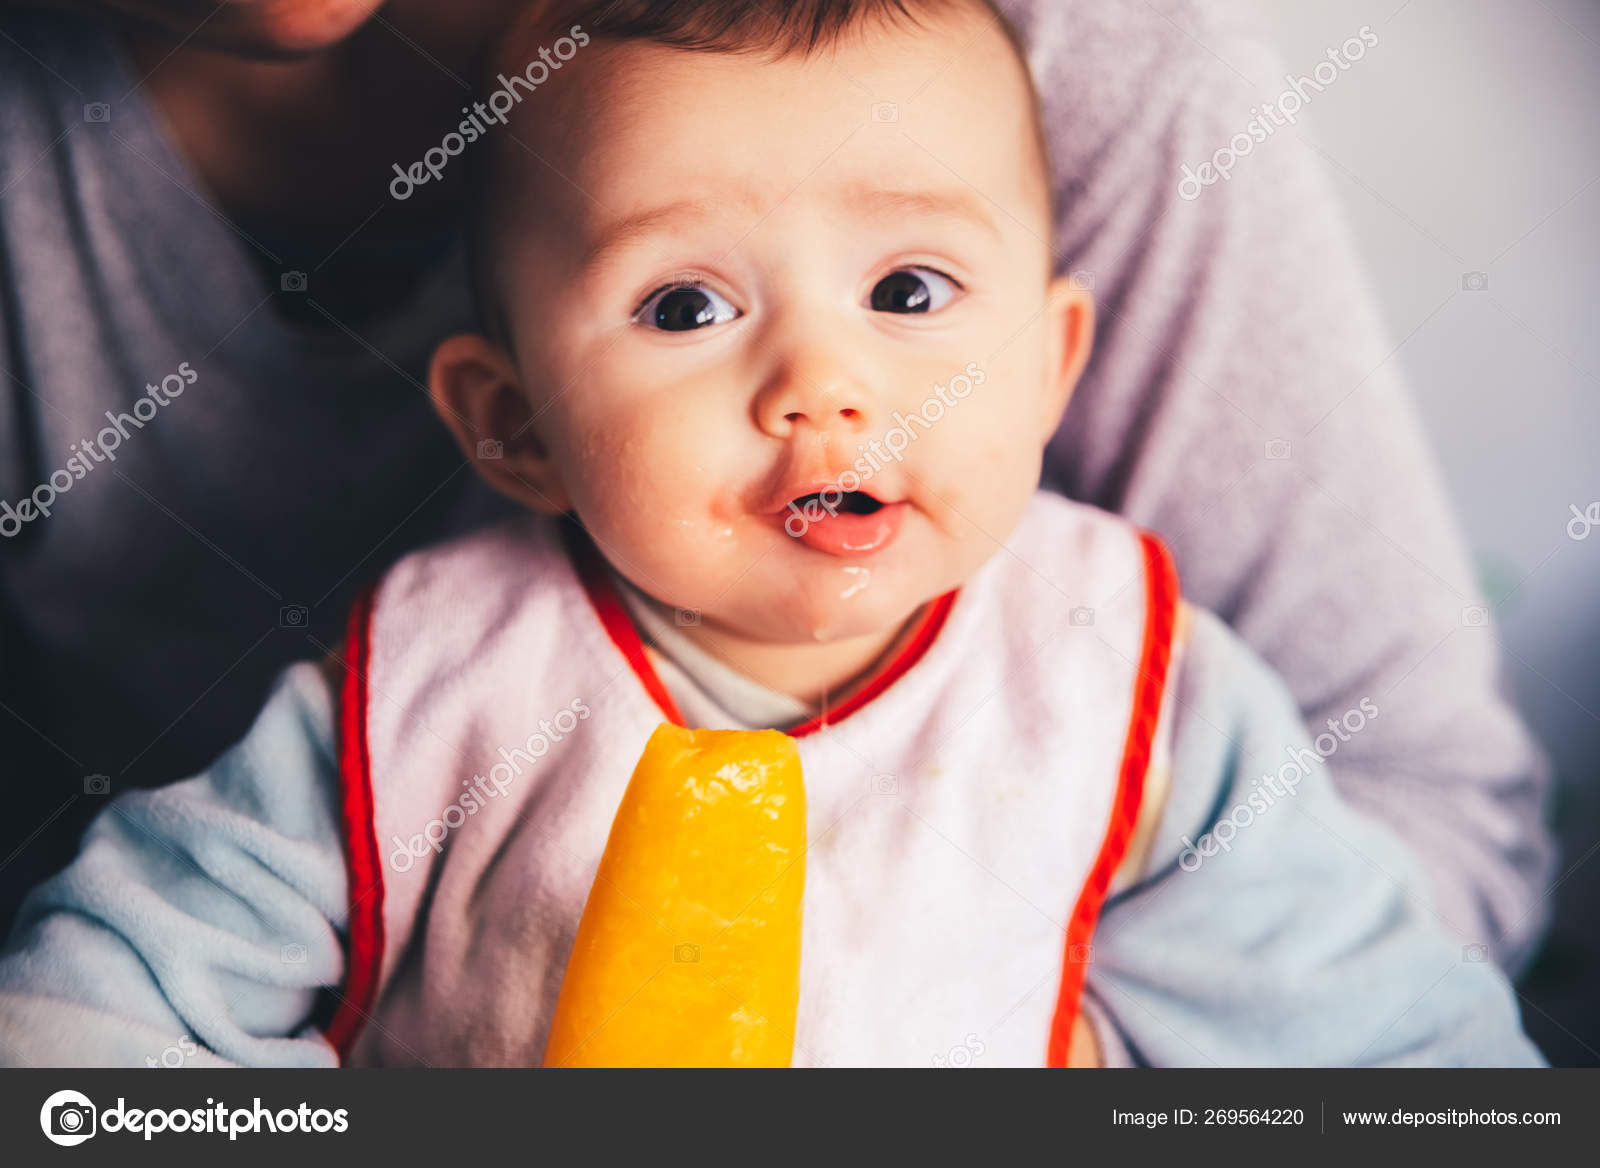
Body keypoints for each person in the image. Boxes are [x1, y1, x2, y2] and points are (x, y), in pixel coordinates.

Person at [0, 0, 1541, 1067]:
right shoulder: (411, 698)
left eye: (912, 293)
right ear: (514, 425)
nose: (821, 385)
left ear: (1058, 362)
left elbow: (1407, 1045)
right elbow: (91, 1025)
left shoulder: (1139, 697)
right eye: (686, 306)